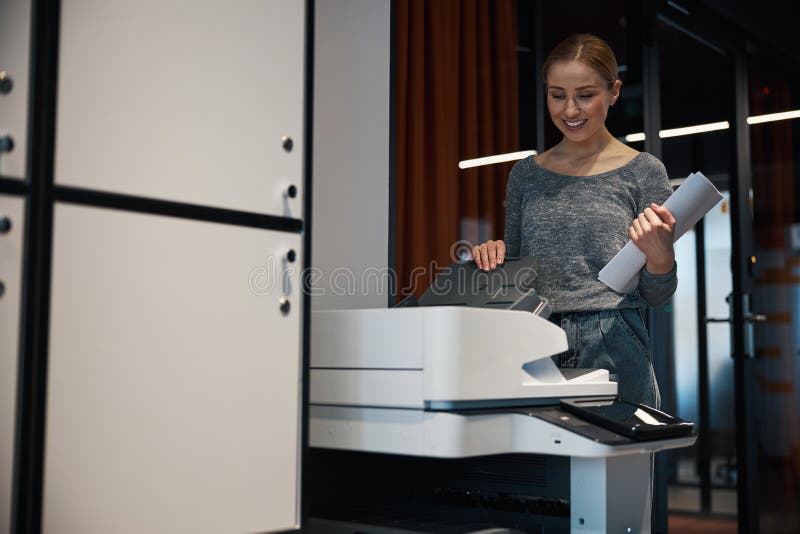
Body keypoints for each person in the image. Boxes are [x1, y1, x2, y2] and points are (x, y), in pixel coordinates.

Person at [472, 33, 677, 408]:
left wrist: (661, 256)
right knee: (538, 465)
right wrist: (493, 257)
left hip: (614, 336)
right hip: (533, 337)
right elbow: (514, 276)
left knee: (616, 464)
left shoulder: (643, 172)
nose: (569, 110)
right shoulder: (526, 175)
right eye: (557, 95)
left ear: (614, 92)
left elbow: (658, 295)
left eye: (585, 95)